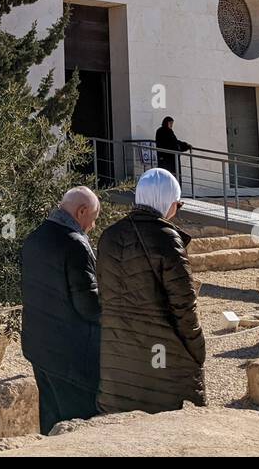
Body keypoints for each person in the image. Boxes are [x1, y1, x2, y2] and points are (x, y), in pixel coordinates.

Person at [96, 168, 205, 414]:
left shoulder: (109, 236)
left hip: (117, 351)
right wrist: (197, 349)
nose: (177, 209)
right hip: (161, 350)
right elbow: (184, 304)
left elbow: (103, 293)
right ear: (167, 201)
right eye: (178, 203)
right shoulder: (166, 238)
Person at [19, 186, 102, 433]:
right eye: (94, 219)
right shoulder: (75, 244)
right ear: (82, 211)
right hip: (72, 355)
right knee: (79, 428)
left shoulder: (34, 238)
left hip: (39, 347)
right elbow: (88, 306)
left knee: (50, 423)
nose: (93, 226)